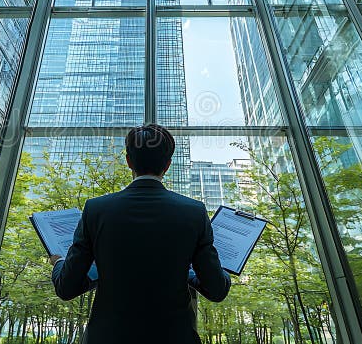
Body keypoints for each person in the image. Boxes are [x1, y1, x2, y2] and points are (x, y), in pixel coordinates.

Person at [49, 124, 231, 344]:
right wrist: (220, 271)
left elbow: (66, 288)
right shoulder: (193, 212)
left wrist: (59, 262)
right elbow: (216, 290)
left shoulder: (96, 210)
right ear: (168, 165)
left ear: (128, 162)